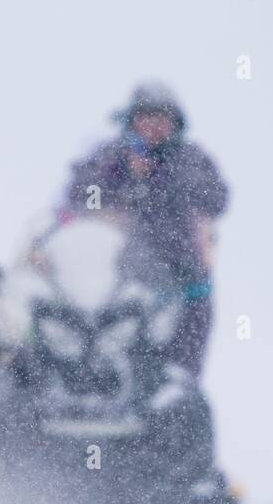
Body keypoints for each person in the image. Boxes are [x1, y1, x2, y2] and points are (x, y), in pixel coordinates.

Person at [64, 83, 229, 377]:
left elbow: (217, 198)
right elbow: (77, 195)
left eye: (162, 118)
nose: (153, 126)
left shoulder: (190, 159)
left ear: (175, 124)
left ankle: (172, 397)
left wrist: (164, 180)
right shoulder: (110, 156)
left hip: (180, 283)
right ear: (130, 120)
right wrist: (120, 177)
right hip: (114, 280)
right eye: (146, 116)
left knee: (178, 372)